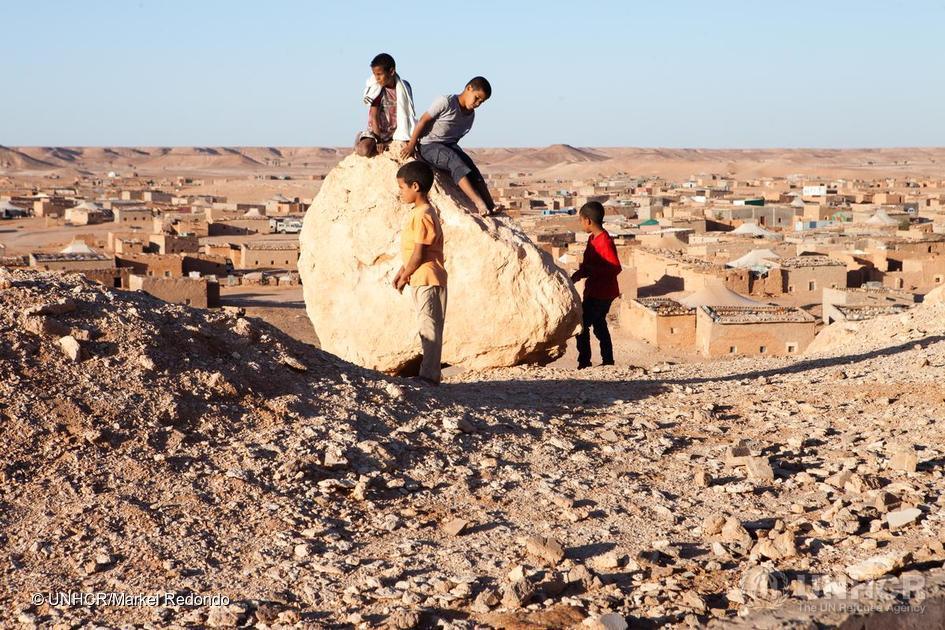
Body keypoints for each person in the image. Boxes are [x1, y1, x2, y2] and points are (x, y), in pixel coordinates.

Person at [400, 76, 502, 216]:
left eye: (481, 102)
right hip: (428, 145)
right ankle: (479, 203)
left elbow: (456, 138)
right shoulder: (446, 102)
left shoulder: (470, 116)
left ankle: (490, 204)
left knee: (471, 168)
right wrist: (412, 144)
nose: (478, 103)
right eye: (477, 98)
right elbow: (423, 120)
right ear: (469, 88)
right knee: (454, 160)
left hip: (449, 146)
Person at [392, 161, 448, 385]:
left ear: (415, 186)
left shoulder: (423, 214)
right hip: (422, 276)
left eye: (402, 188)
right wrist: (403, 270)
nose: (400, 193)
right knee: (428, 325)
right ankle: (429, 374)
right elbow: (413, 252)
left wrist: (405, 275)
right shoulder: (420, 212)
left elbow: (420, 253)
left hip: (427, 277)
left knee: (429, 327)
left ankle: (429, 377)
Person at [570, 201, 622, 369]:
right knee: (599, 325)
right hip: (594, 291)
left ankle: (584, 363)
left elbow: (615, 267)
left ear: (588, 221)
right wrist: (577, 275)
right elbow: (588, 265)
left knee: (582, 326)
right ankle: (608, 361)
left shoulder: (604, 241)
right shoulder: (592, 239)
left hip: (602, 293)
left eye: (581, 220)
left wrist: (593, 270)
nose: (581, 224)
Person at [356, 53, 416, 158]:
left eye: (379, 74)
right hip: (377, 131)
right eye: (375, 74)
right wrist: (378, 140)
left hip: (397, 130)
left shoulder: (404, 87)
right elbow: (374, 116)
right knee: (364, 150)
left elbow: (408, 112)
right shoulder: (376, 91)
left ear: (391, 71)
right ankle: (359, 139)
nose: (377, 78)